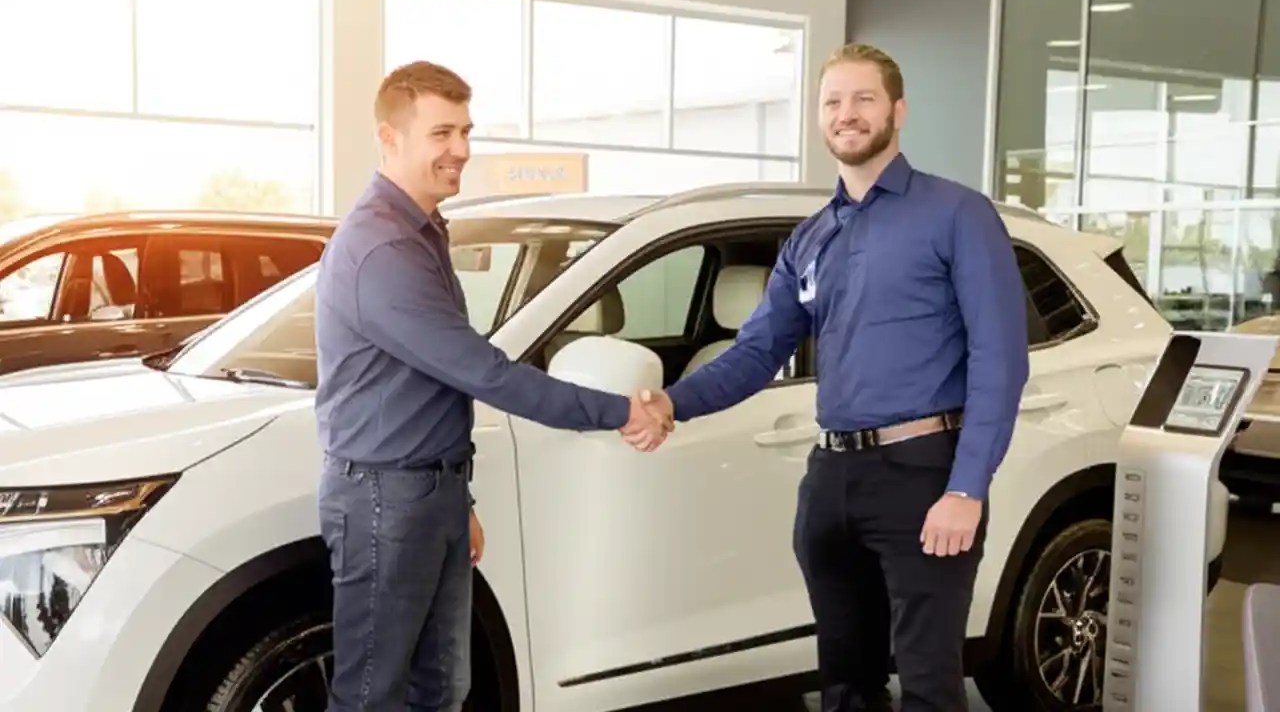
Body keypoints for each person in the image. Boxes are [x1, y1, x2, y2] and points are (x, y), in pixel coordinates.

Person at [628, 43, 1029, 712]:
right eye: (833, 101)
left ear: (897, 111)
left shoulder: (957, 214)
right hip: (832, 480)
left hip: (924, 474)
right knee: (845, 686)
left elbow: (1001, 359)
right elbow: (757, 351)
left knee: (929, 685)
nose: (847, 114)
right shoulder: (811, 238)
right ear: (819, 118)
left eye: (864, 98)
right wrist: (672, 401)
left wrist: (967, 487)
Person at [313, 60, 671, 712]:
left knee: (442, 687)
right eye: (441, 133)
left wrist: (458, 494)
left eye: (466, 131)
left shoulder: (422, 232)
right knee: (373, 696)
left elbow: (427, 386)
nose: (461, 150)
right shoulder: (381, 249)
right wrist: (621, 410)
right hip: (385, 501)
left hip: (427, 492)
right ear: (389, 138)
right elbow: (482, 372)